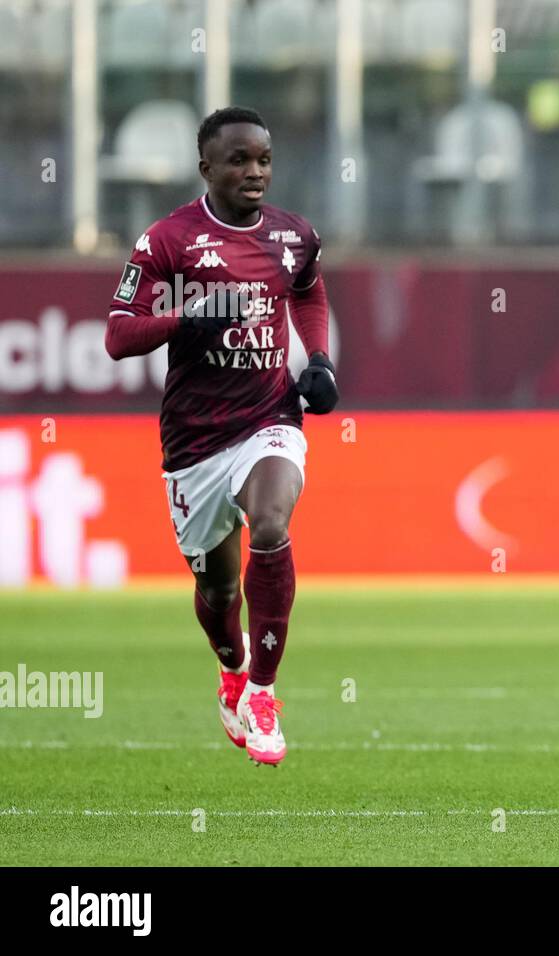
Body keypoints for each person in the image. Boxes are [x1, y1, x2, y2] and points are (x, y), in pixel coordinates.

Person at [104, 106, 340, 766]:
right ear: (206, 168)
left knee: (270, 523)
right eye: (238, 161)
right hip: (194, 444)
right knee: (216, 591)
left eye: (263, 159)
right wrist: (188, 320)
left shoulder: (295, 235)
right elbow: (118, 335)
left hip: (269, 419)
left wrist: (317, 360)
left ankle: (263, 694)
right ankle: (233, 667)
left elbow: (310, 291)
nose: (254, 172)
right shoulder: (166, 242)